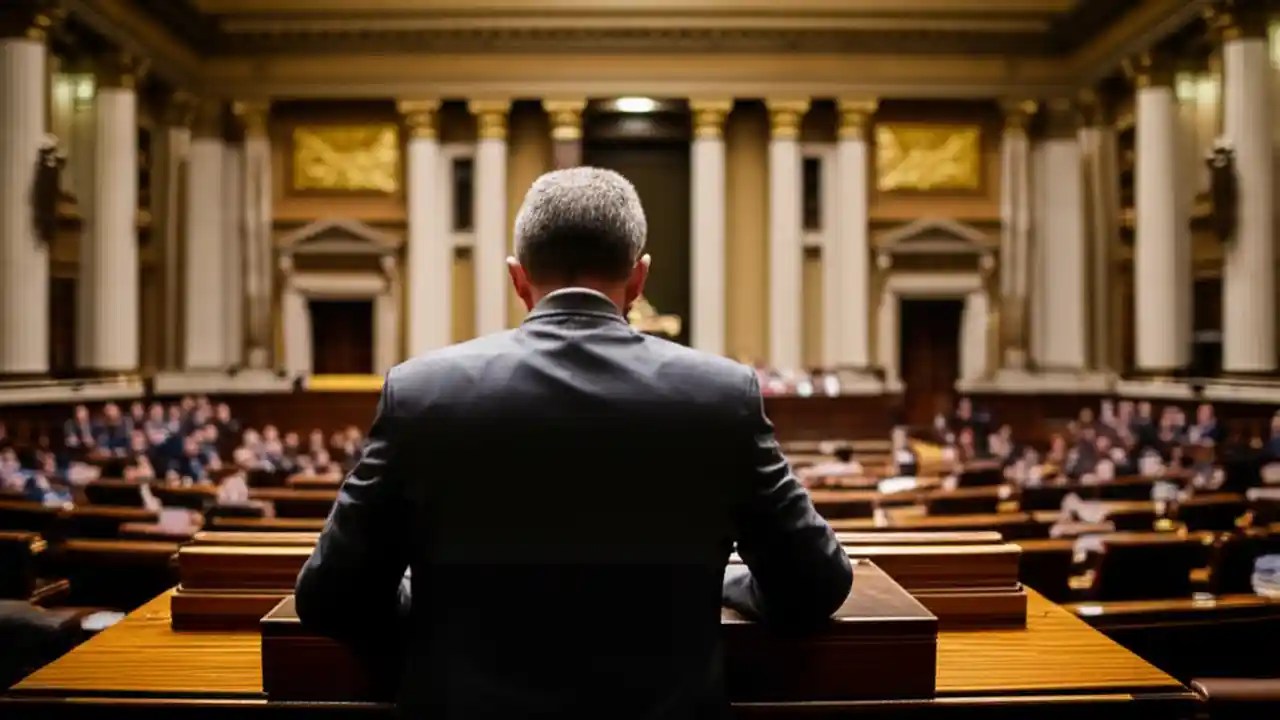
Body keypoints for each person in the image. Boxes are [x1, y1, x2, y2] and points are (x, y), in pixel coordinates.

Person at [295, 167, 852, 719]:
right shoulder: (722, 395)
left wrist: (437, 595)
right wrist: (726, 588)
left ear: (518, 279)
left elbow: (332, 599)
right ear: (639, 280)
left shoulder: (419, 393)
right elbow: (815, 585)